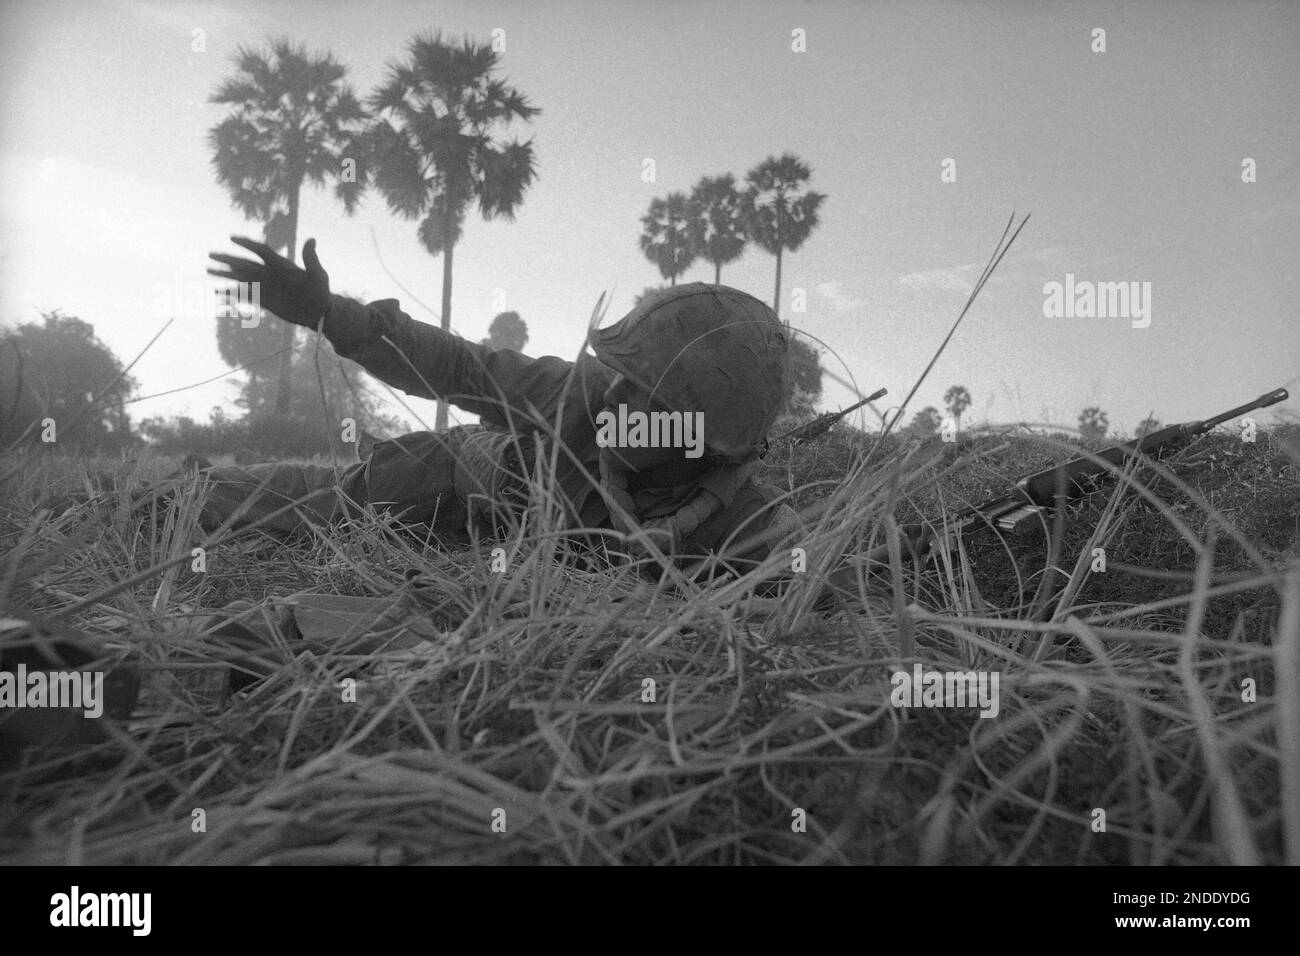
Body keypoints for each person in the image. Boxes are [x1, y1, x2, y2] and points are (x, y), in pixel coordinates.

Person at [204, 236, 802, 573]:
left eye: (643, 395)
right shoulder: (577, 396)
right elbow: (459, 367)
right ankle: (168, 498)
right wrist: (333, 315)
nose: (612, 394)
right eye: (619, 373)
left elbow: (823, 580)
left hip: (486, 552)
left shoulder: (742, 523)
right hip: (454, 475)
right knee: (316, 502)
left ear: (699, 437)